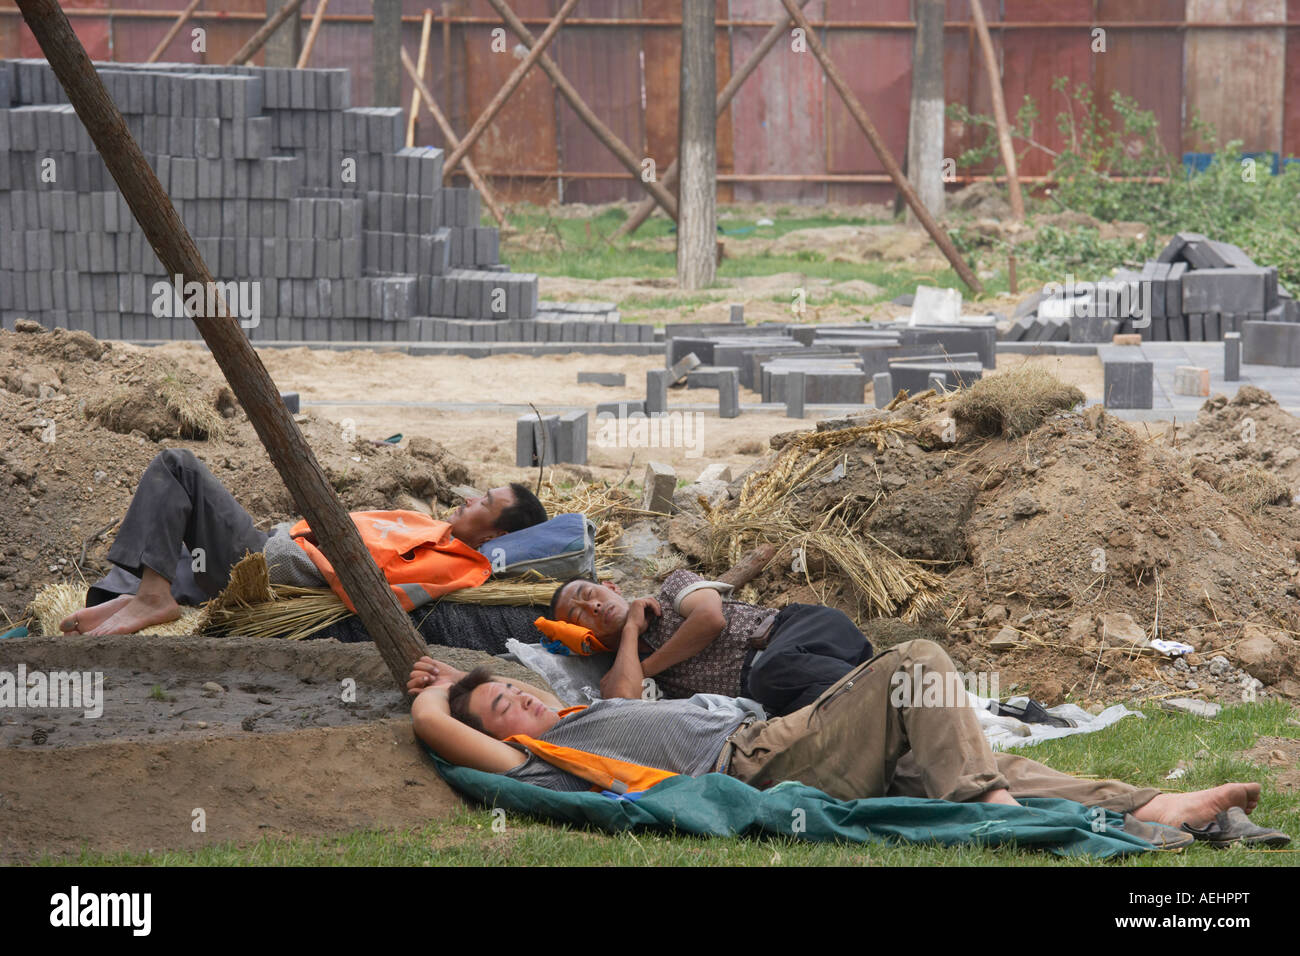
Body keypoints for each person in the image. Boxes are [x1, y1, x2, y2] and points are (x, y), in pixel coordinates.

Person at [406, 639, 1292, 849]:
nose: (518, 696)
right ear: (495, 736)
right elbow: (436, 730)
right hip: (758, 761)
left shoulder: (592, 708)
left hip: (772, 734)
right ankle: (998, 816)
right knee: (912, 662)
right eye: (502, 707)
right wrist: (443, 690)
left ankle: (1164, 809)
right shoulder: (541, 759)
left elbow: (622, 678)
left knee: (960, 748)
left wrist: (467, 672)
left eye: (514, 684)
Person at [60, 448, 547, 636]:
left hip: (263, 561)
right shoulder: (428, 526)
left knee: (178, 468)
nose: (468, 498)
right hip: (273, 541)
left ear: (496, 534)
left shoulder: (458, 564)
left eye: (484, 500)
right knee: (164, 549)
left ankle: (151, 599)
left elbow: (375, 590)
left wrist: (310, 551)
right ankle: (136, 595)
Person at [547, 570, 876, 716]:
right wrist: (631, 630)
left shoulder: (672, 589)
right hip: (790, 687)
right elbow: (622, 703)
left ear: (611, 587)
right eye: (579, 617)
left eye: (589, 595)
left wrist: (646, 668)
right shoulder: (620, 668)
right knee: (797, 727)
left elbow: (710, 619)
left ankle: (877, 685)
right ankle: (882, 695)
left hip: (802, 631)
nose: (593, 607)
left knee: (766, 674)